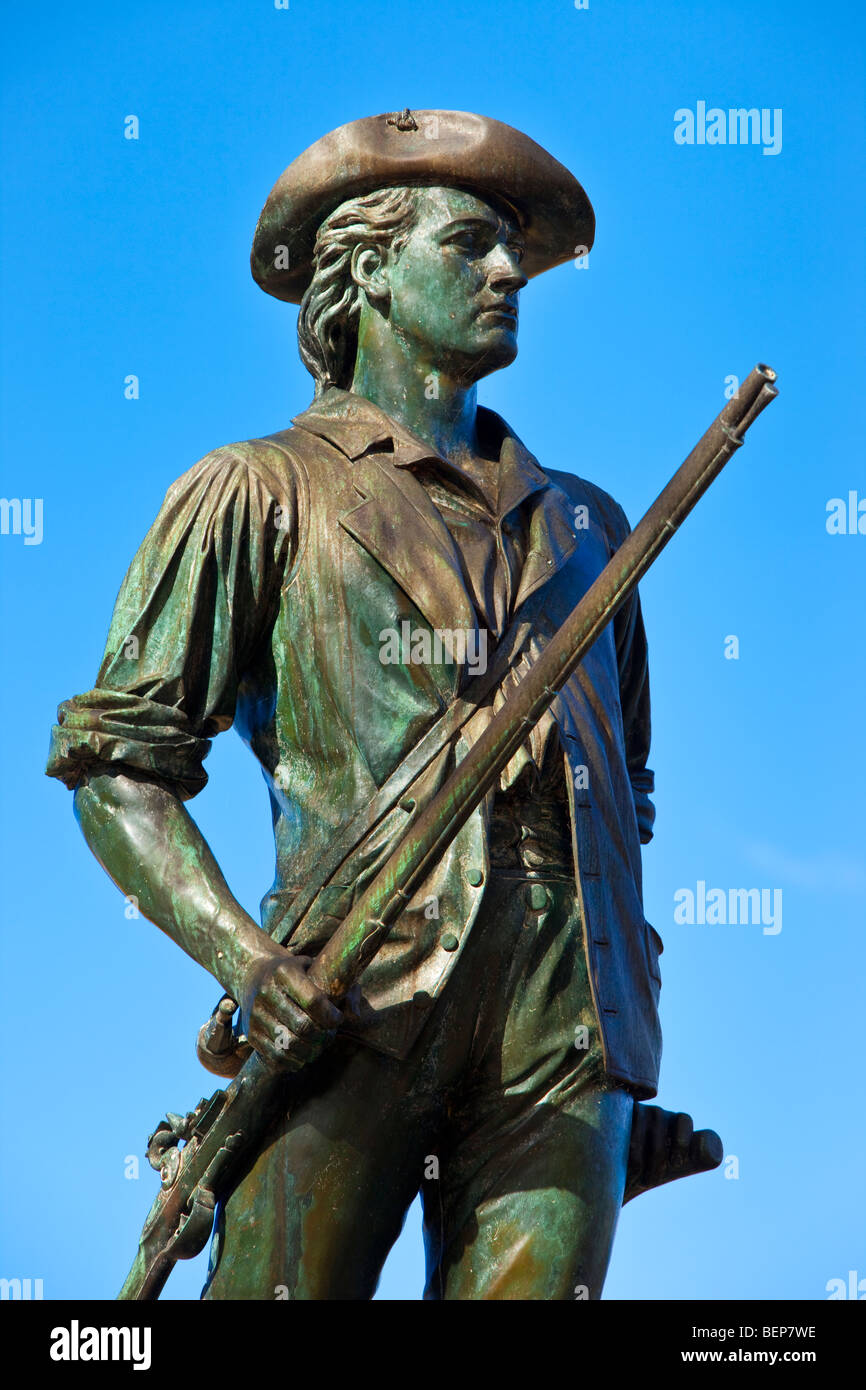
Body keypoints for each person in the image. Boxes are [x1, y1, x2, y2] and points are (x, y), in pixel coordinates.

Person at [47, 110, 714, 1300]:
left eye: (512, 250)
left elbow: (625, 795)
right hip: (351, 1005)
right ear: (365, 272)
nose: (510, 271)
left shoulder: (590, 529)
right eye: (470, 244)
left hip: (565, 1034)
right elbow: (119, 770)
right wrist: (249, 967)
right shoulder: (254, 491)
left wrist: (622, 1064)